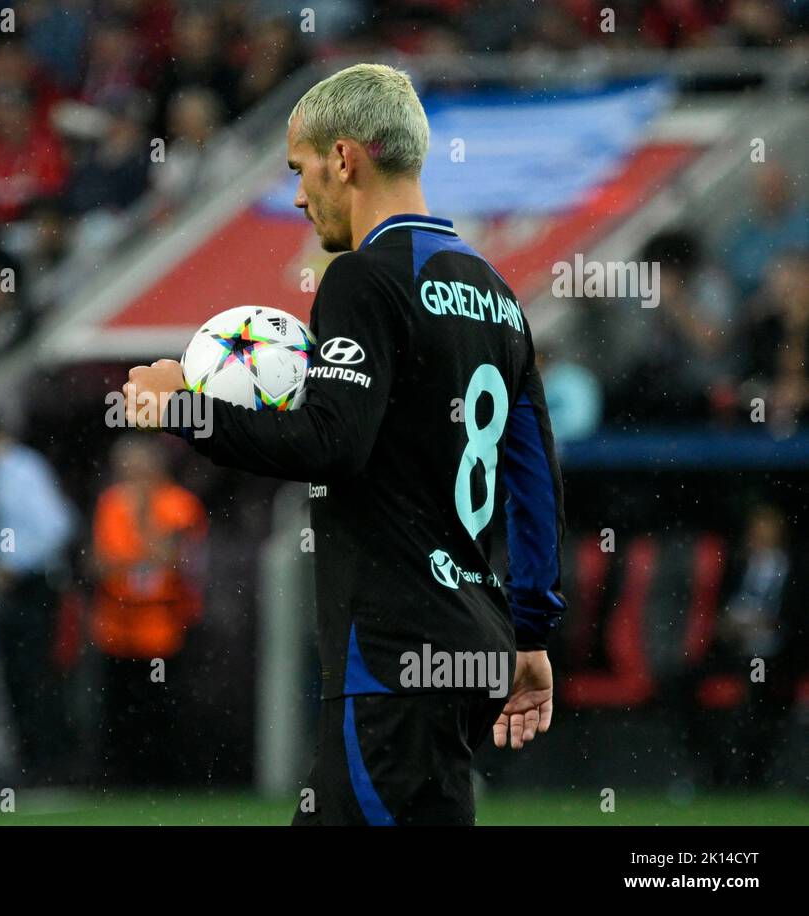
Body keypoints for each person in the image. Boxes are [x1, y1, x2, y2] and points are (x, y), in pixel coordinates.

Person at [121, 64, 565, 825]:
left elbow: (329, 442)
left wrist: (184, 409)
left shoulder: (363, 280)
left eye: (299, 169)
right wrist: (531, 633)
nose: (298, 196)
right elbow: (535, 483)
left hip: (394, 656)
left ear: (345, 159)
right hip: (472, 647)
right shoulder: (496, 296)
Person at [90, 436, 207, 785]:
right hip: (117, 623)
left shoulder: (180, 504)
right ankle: (118, 780)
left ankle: (163, 779)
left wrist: (141, 519)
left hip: (163, 627)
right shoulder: (110, 503)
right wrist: (132, 560)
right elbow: (99, 563)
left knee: (162, 707)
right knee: (118, 709)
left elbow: (175, 560)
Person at [0, 416, 76, 781]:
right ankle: (37, 762)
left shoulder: (17, 469)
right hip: (28, 586)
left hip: (34, 586)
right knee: (22, 673)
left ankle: (47, 764)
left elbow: (56, 525)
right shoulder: (13, 468)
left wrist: (13, 564)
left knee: (32, 674)